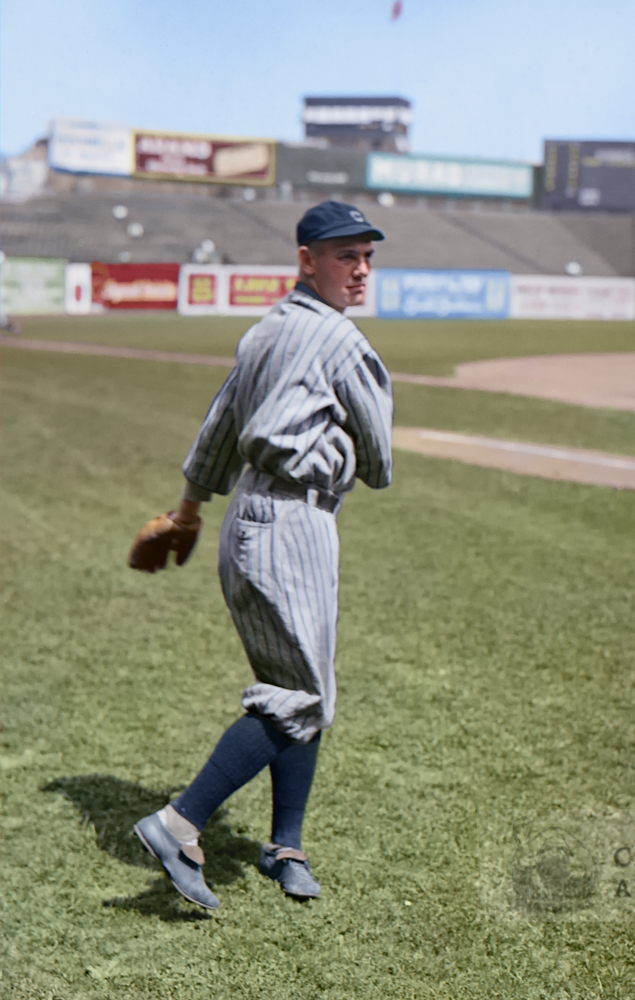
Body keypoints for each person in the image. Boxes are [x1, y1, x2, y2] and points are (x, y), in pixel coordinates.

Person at [129, 201, 393, 909]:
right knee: (300, 696)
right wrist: (338, 443)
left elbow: (216, 430)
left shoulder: (262, 332)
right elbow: (380, 459)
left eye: (367, 256)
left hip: (247, 518)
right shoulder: (339, 340)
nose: (360, 269)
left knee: (300, 683)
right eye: (345, 256)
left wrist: (186, 509)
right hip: (292, 524)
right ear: (306, 259)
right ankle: (177, 822)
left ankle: (286, 845)